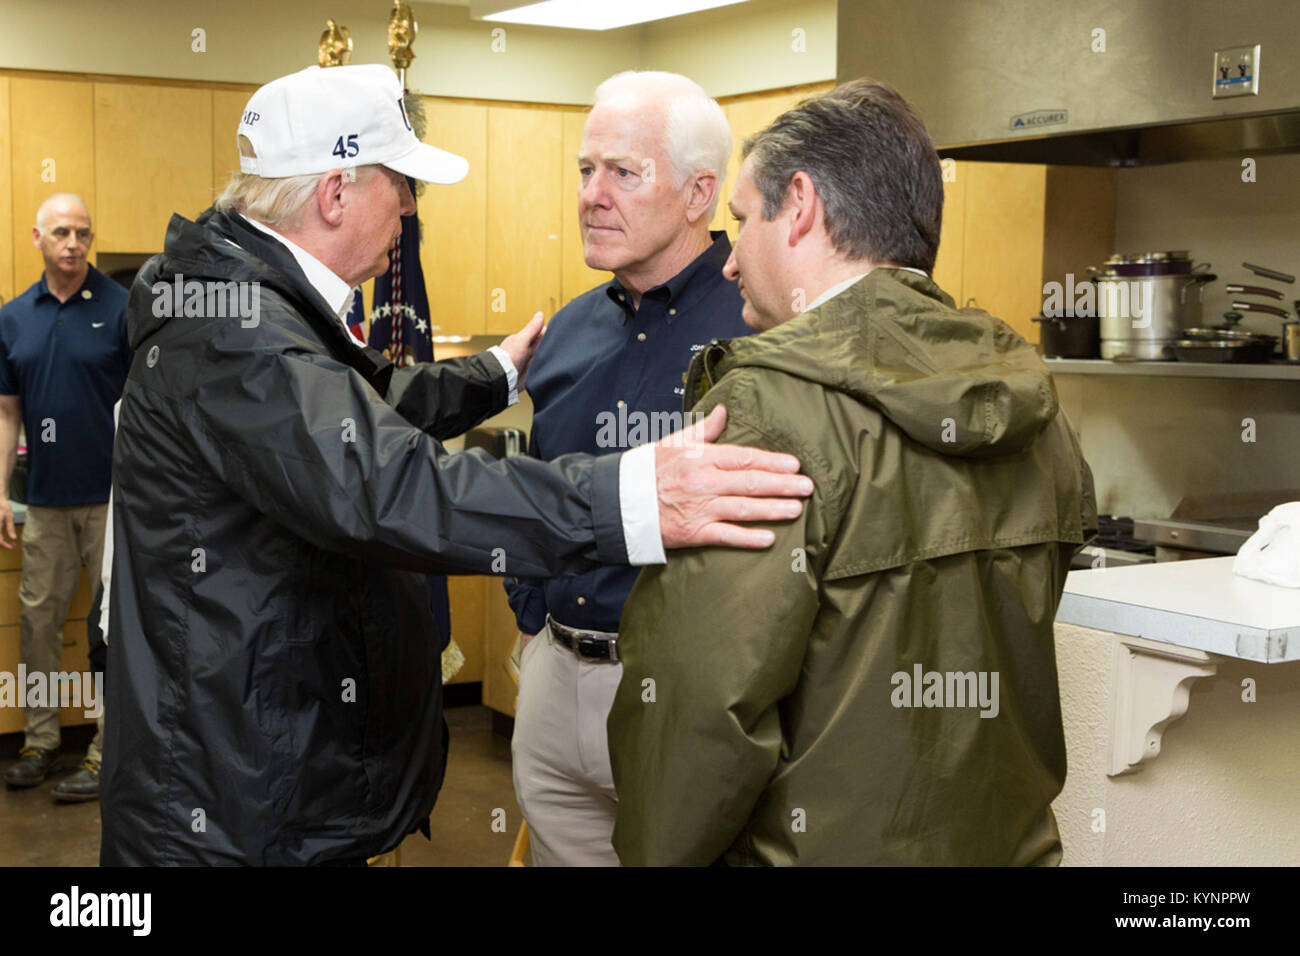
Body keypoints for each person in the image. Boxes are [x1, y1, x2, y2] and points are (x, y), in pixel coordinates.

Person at [99, 63, 812, 866]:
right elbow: (387, 481)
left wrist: (495, 373)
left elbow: (358, 413)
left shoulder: (245, 303)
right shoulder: (240, 333)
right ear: (336, 194)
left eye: (620, 171)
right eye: (403, 188)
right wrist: (635, 497)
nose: (409, 211)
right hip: (225, 802)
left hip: (250, 773)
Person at [607, 79, 1098, 866]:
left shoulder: (769, 409)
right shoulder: (1029, 399)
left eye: (741, 221)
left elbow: (699, 708)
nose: (728, 265)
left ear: (798, 205)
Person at [504, 71, 750, 866]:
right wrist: (531, 613)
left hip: (678, 691)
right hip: (554, 673)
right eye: (585, 170)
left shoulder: (757, 328)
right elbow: (534, 486)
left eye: (622, 172)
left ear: (697, 193)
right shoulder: (568, 330)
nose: (591, 195)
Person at [0, 194, 132, 803]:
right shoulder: (13, 317)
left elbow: (144, 407)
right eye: (61, 233)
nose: (73, 243)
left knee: (113, 628)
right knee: (39, 623)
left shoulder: (121, 307)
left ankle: (108, 750)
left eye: (83, 232)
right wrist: (1, 492)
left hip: (113, 500)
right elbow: (7, 414)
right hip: (46, 502)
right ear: (37, 238)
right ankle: (41, 741)